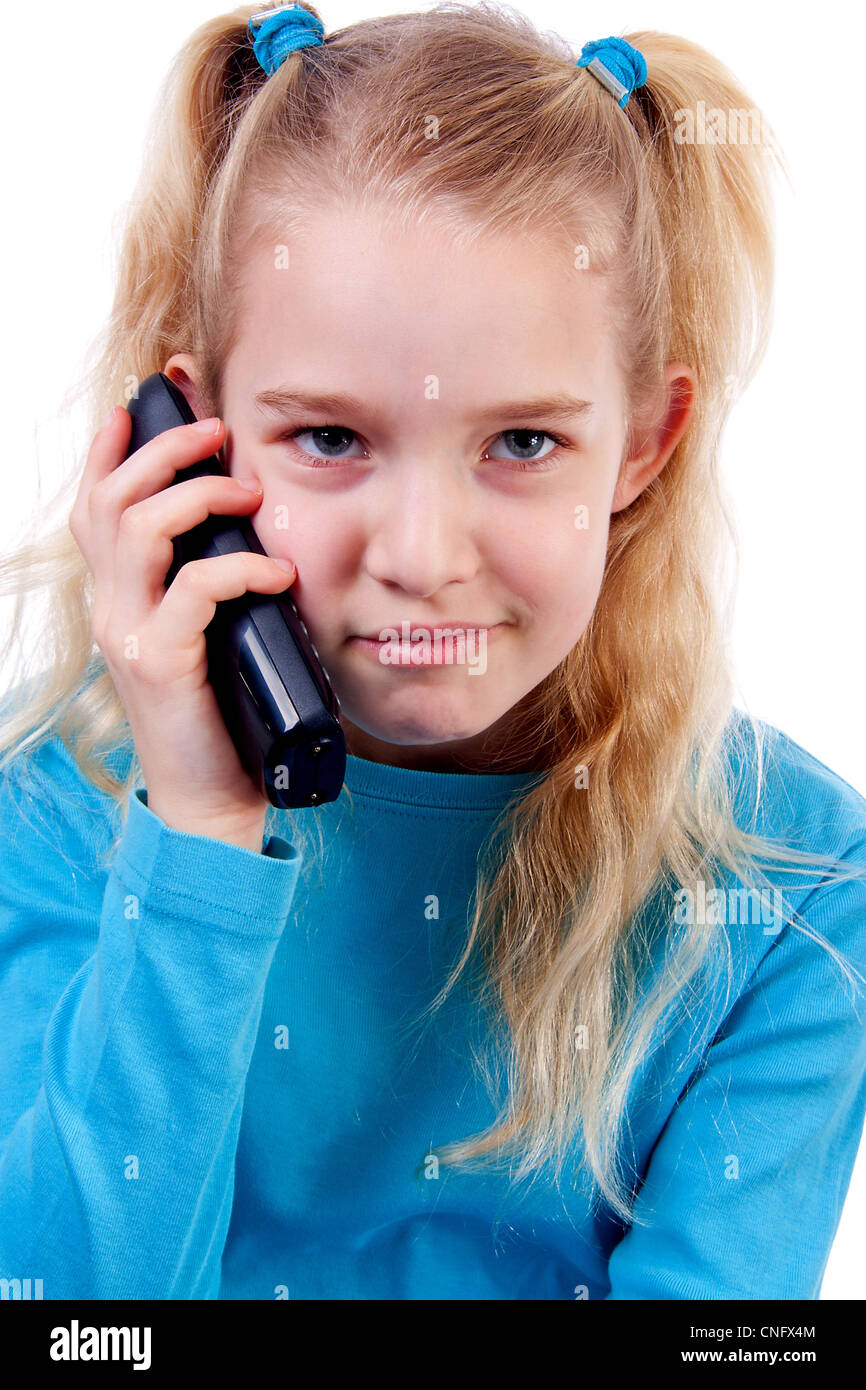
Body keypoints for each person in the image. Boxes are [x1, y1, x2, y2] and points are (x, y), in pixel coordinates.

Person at [0, 2, 864, 1301]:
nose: (421, 552)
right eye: (329, 440)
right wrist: (198, 833)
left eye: (521, 443)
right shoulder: (53, 806)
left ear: (642, 443)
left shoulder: (795, 888)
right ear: (196, 446)